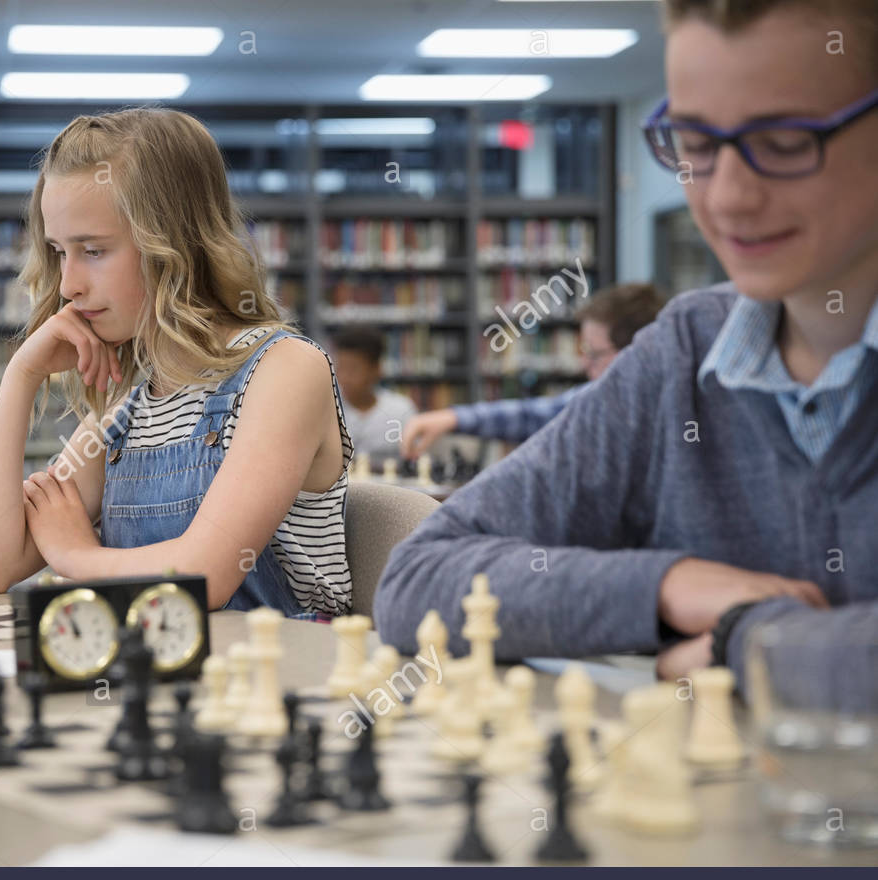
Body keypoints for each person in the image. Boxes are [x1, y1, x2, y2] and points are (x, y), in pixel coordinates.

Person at [375, 0, 878, 689]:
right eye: (696, 143)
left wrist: (743, 643)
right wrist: (667, 584)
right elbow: (417, 580)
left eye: (786, 140)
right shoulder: (683, 351)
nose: (728, 197)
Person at [0, 108, 353, 617]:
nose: (68, 285)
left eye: (93, 251)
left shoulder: (285, 370)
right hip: (166, 660)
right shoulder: (128, 408)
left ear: (172, 244)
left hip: (279, 662)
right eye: (59, 252)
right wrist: (21, 377)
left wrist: (76, 555)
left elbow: (204, 578)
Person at [401, 283, 665, 455]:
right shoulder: (602, 399)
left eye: (594, 354)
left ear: (635, 353)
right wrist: (453, 418)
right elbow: (535, 417)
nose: (584, 363)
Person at [331, 325, 419, 461]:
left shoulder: (402, 411)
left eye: (353, 369)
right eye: (340, 368)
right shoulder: (328, 410)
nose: (344, 377)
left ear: (377, 369)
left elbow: (414, 458)